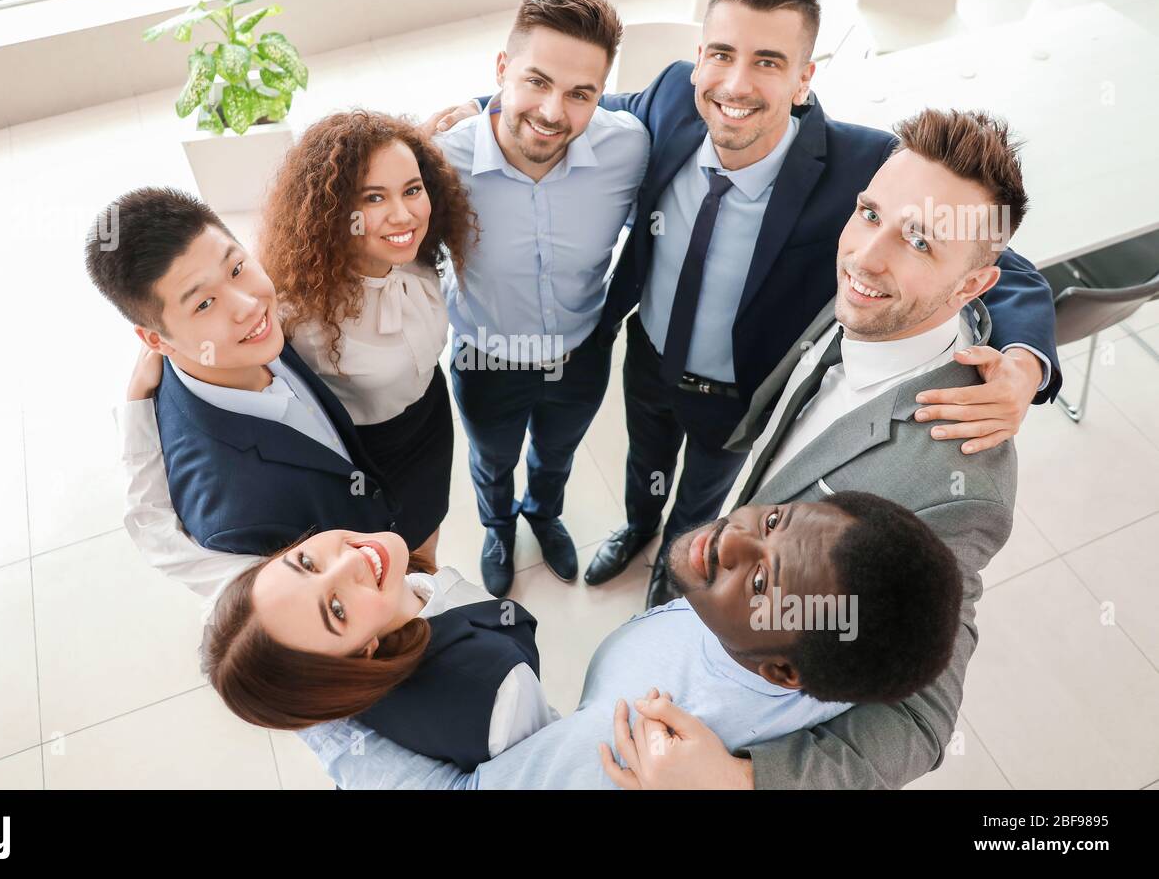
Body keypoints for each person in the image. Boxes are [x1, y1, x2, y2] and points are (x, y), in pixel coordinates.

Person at [433, 0, 1060, 609]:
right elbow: (577, 110)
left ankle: (669, 576)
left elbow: (995, 258)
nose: (736, 84)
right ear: (698, 58)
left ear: (803, 79)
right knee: (642, 468)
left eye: (768, 61)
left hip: (741, 389)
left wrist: (1023, 360)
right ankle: (636, 529)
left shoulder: (856, 161)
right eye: (722, 54)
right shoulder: (675, 97)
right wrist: (482, 110)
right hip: (647, 358)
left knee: (704, 501)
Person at [603, 106, 1029, 789]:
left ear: (972, 285)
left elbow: (919, 723)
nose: (866, 254)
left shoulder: (960, 475)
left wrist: (742, 783)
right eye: (869, 214)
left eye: (919, 243)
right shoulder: (871, 301)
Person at [295, 492, 963, 789]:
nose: (732, 535)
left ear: (786, 671)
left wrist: (308, 703)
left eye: (761, 582)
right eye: (777, 518)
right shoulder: (850, 642)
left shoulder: (641, 741)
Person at [433, 0, 650, 596]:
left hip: (581, 352)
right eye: (536, 81)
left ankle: (544, 513)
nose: (554, 112)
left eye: (580, 93)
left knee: (556, 455)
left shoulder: (627, 148)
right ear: (502, 70)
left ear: (601, 94)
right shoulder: (440, 161)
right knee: (491, 459)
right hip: (485, 356)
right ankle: (498, 525)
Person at [85, 187, 398, 598]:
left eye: (235, 268)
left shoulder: (251, 335)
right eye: (203, 304)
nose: (247, 304)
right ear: (155, 339)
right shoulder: (234, 515)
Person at [259, 110, 477, 556]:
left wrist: (470, 111)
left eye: (412, 190)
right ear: (330, 210)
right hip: (367, 455)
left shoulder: (417, 255)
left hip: (431, 421)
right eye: (372, 198)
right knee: (389, 559)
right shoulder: (295, 314)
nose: (403, 215)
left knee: (428, 539)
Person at [204, 528, 553, 771]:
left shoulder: (393, 609)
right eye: (337, 610)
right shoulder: (499, 690)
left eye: (307, 564)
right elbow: (545, 759)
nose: (351, 563)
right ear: (360, 656)